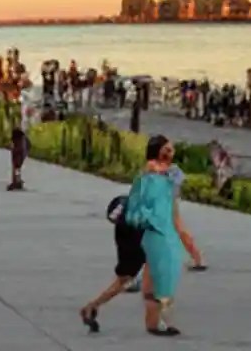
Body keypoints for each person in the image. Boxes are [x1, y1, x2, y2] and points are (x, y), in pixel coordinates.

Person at [124, 135, 185, 337]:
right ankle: (157, 321)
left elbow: (172, 197)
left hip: (161, 226)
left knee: (157, 273)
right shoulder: (151, 173)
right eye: (165, 149)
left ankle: (156, 321)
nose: (170, 153)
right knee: (162, 273)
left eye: (171, 149)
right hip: (153, 227)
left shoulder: (169, 172)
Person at [79, 194, 146, 333]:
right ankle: (91, 307)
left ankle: (92, 306)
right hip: (135, 241)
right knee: (124, 280)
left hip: (126, 238)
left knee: (124, 280)